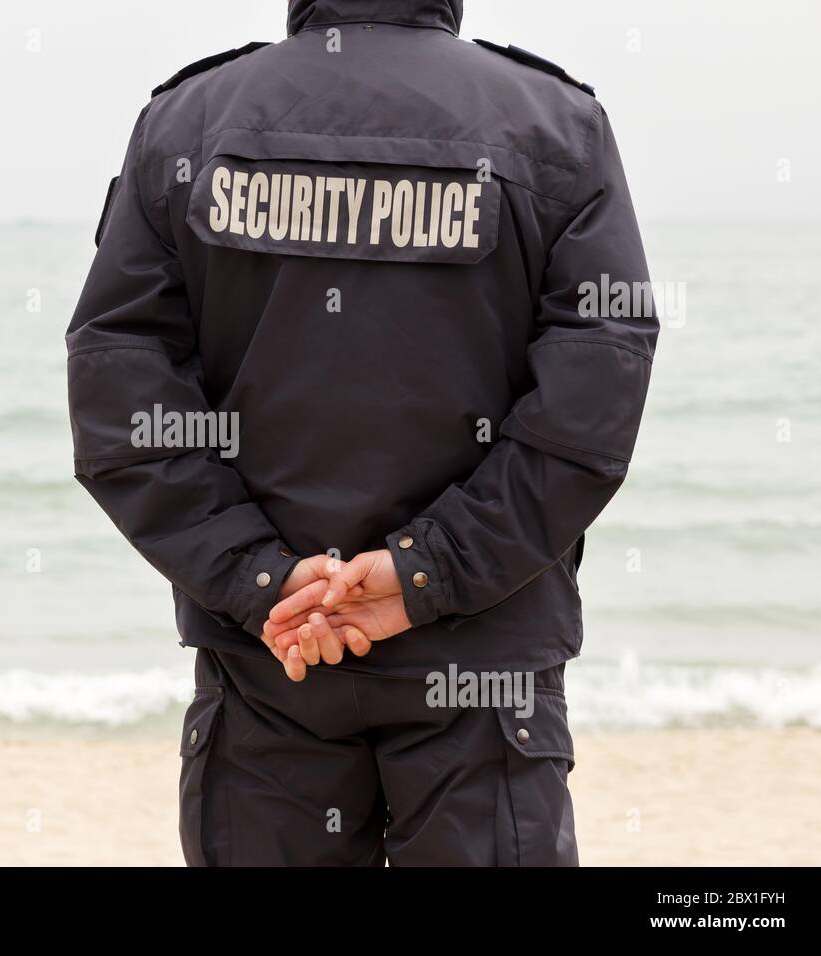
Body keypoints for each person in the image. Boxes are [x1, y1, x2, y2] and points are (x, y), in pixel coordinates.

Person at [66, 0, 657, 866]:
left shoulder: (188, 122)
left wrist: (258, 573)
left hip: (277, 650)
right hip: (478, 660)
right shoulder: (554, 125)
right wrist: (429, 570)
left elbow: (119, 373)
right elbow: (598, 381)